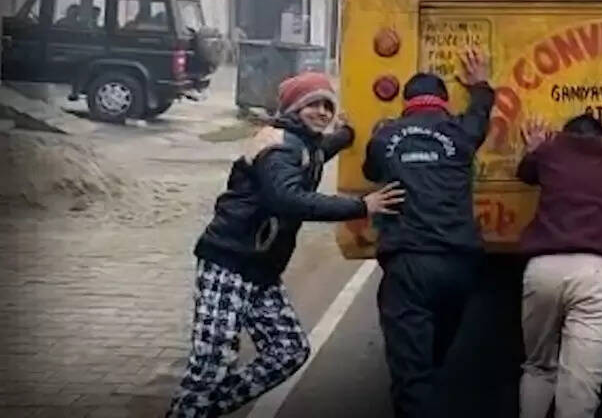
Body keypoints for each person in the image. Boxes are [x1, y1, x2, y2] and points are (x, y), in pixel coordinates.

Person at [168, 72, 405, 417]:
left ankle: (199, 410)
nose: (323, 112)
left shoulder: (305, 143)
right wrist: (361, 206)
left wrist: (350, 133)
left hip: (261, 270)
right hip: (229, 263)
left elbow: (325, 147)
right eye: (313, 104)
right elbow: (288, 198)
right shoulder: (278, 146)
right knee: (211, 366)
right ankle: (193, 409)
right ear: (294, 107)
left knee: (288, 351)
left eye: (328, 105)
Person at [362, 49, 495, 418]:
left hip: (409, 264)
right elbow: (480, 114)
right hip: (460, 265)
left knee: (412, 374)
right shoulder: (460, 132)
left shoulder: (386, 136)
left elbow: (372, 171)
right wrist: (480, 84)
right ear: (443, 101)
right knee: (437, 352)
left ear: (406, 103)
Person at [515, 112, 602, 418]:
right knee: (579, 386)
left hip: (543, 268)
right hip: (595, 273)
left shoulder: (550, 151)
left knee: (538, 366)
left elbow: (525, 173)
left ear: (564, 135)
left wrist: (534, 147)